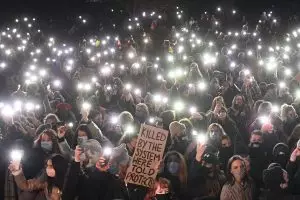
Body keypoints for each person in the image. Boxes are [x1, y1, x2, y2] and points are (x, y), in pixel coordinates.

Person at [9, 154, 75, 200]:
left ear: (59, 167)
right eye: (47, 166)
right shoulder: (45, 179)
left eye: (51, 166)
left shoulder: (69, 181)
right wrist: (17, 172)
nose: (48, 169)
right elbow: (26, 185)